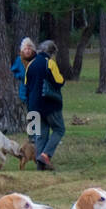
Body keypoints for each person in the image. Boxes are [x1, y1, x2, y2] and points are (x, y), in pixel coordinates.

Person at [26, 38, 65, 170]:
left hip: (33, 105)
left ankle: (40, 165)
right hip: (49, 104)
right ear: (52, 52)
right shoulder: (50, 63)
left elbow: (26, 86)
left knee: (40, 135)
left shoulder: (30, 64)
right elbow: (59, 82)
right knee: (59, 129)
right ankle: (45, 155)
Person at [11, 37, 36, 104]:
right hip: (23, 87)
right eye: (25, 49)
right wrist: (20, 75)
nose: (27, 51)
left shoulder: (36, 59)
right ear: (22, 50)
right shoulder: (19, 60)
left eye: (29, 49)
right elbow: (13, 71)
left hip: (34, 87)